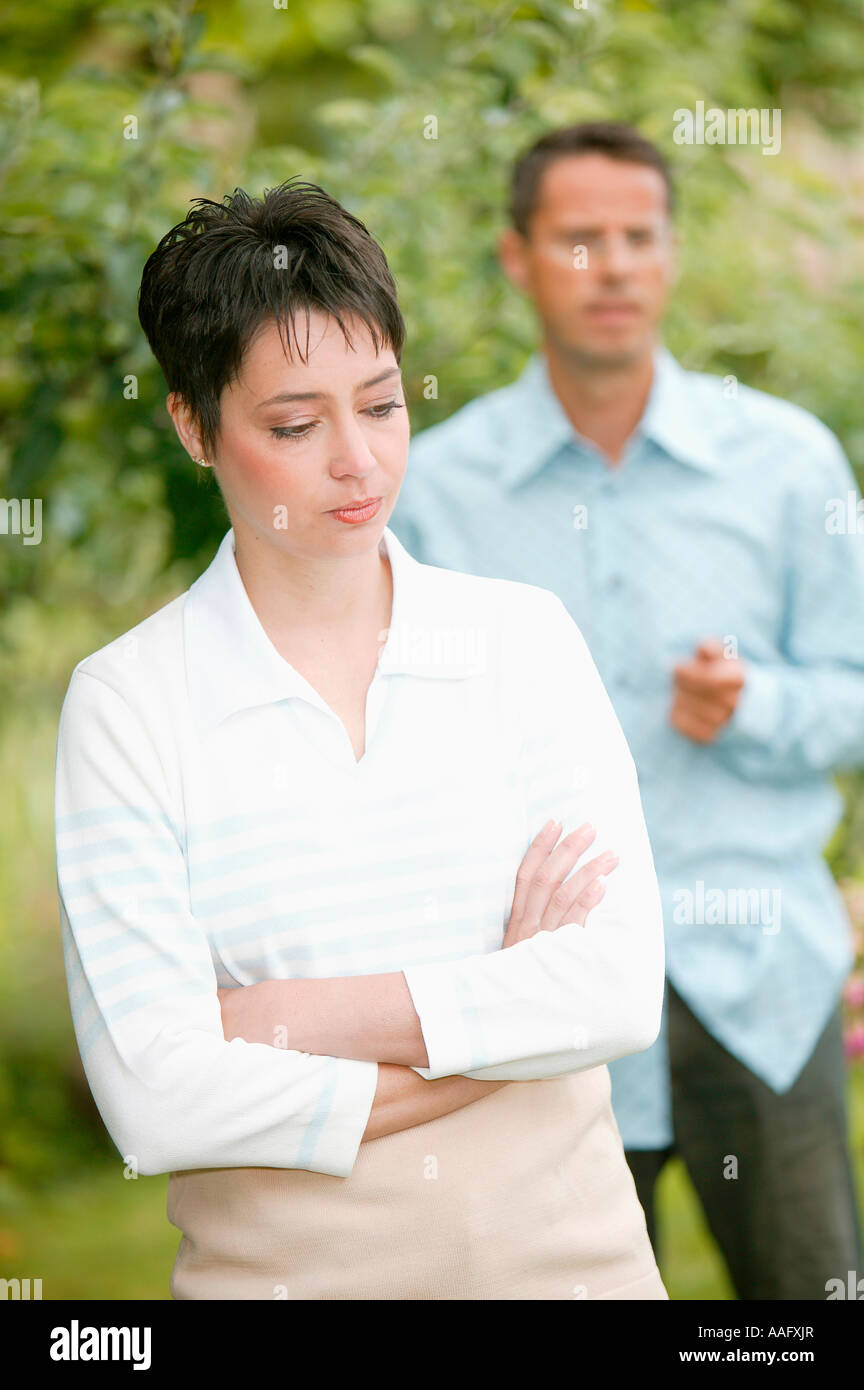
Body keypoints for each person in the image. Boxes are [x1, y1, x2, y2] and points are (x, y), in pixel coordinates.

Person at [54, 178, 668, 1300]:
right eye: (295, 423)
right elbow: (156, 1102)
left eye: (382, 405)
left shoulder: (519, 640)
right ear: (195, 425)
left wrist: (291, 1018)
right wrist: (497, 1015)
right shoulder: (130, 704)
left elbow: (618, 989)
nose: (358, 461)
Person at [388, 121, 864, 1300]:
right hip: (534, 991)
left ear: (673, 252)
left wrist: (758, 703)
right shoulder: (435, 492)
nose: (614, 267)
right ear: (517, 256)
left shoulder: (788, 465)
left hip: (755, 974)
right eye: (579, 239)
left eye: (638, 237)